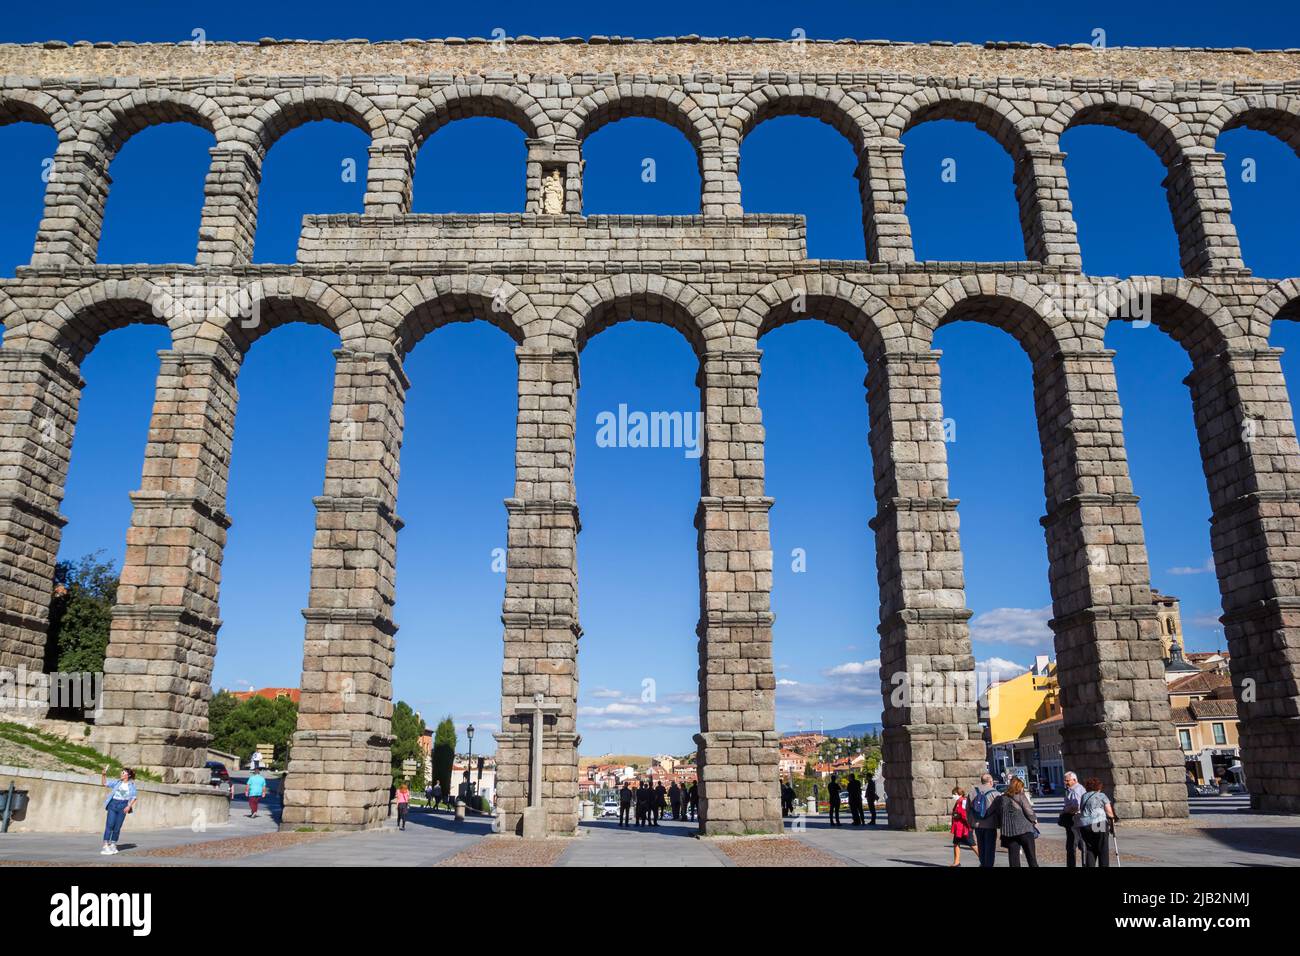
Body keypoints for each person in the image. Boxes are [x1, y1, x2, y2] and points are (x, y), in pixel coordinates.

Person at [998, 776, 1039, 867]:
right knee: (1031, 857)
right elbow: (1028, 811)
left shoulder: (1002, 798)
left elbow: (999, 813)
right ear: (1019, 787)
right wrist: (1034, 819)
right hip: (1024, 830)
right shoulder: (1020, 796)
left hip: (1009, 832)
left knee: (1014, 860)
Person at [1078, 777, 1117, 867]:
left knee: (1090, 849)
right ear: (1099, 787)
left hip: (1085, 825)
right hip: (1099, 823)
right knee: (1102, 849)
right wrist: (1112, 825)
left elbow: (1081, 809)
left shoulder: (1084, 796)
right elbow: (1109, 812)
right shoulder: (1101, 795)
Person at [100, 766, 137, 856]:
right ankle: (105, 845)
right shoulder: (117, 782)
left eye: (123, 773)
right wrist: (103, 775)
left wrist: (129, 806)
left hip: (123, 806)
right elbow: (104, 783)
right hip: (113, 804)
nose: (121, 774)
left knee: (117, 827)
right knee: (110, 825)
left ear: (128, 775)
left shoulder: (131, 785)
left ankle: (113, 844)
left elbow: (134, 797)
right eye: (121, 772)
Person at [969, 772, 1000, 867]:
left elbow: (968, 810)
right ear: (990, 781)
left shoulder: (973, 792)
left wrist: (971, 823)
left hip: (977, 825)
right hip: (990, 825)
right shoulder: (996, 793)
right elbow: (999, 811)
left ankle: (982, 864)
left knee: (981, 847)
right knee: (990, 848)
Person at [1060, 771, 1087, 867]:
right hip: (1075, 819)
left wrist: (1066, 811)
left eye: (1067, 780)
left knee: (1072, 845)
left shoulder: (1077, 790)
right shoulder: (1072, 789)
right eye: (1065, 780)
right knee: (1080, 844)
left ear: (1075, 780)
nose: (1065, 782)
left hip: (1075, 819)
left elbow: (1077, 806)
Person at [950, 786, 975, 866]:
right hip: (959, 828)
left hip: (965, 828)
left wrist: (959, 816)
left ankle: (984, 861)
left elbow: (966, 815)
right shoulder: (958, 801)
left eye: (954, 794)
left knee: (972, 845)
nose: (953, 796)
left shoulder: (963, 801)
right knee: (956, 843)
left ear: (960, 794)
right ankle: (956, 862)